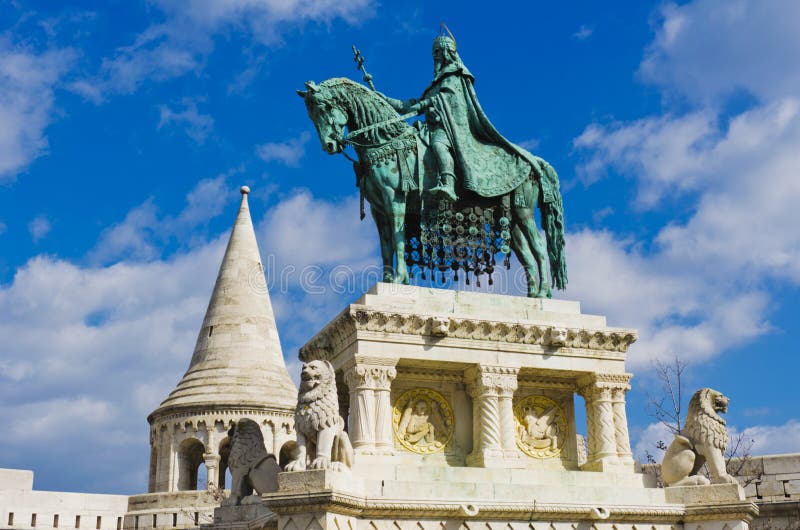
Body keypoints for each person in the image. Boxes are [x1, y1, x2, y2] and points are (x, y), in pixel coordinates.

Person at [380, 32, 535, 203]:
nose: (436, 57)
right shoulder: (436, 82)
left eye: (439, 52)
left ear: (448, 52)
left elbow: (448, 97)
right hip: (429, 127)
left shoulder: (455, 74)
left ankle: (448, 183)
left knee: (438, 144)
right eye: (434, 54)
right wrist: (384, 99)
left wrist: (424, 105)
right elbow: (410, 104)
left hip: (450, 127)